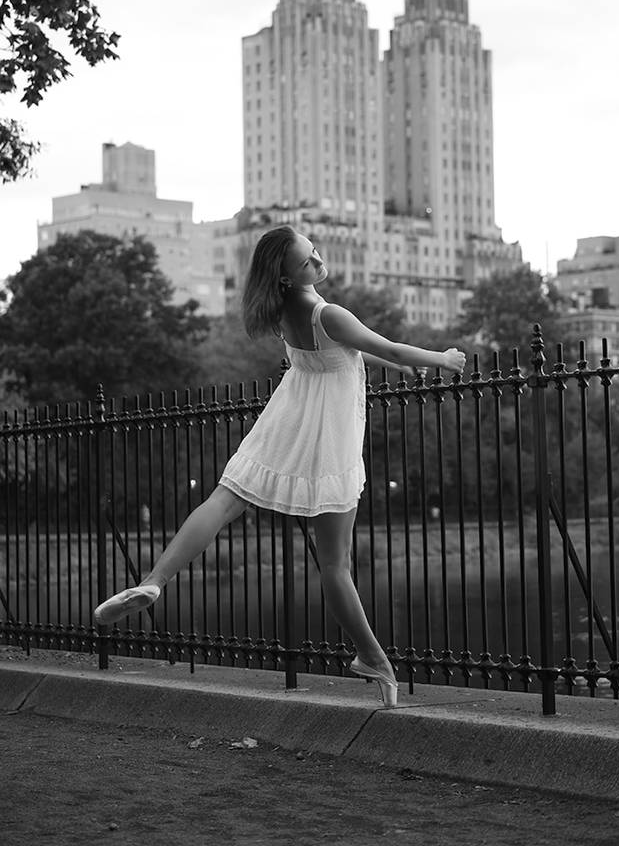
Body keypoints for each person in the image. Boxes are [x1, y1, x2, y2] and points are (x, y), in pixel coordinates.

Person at [94, 225, 466, 707]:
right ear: (288, 277)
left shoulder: (286, 315)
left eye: (314, 253)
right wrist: (444, 357)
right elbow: (387, 347)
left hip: (287, 420)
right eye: (307, 261)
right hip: (327, 438)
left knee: (222, 500)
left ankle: (153, 581)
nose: (318, 260)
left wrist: (394, 364)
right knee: (334, 563)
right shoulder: (328, 312)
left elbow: (361, 352)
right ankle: (371, 657)